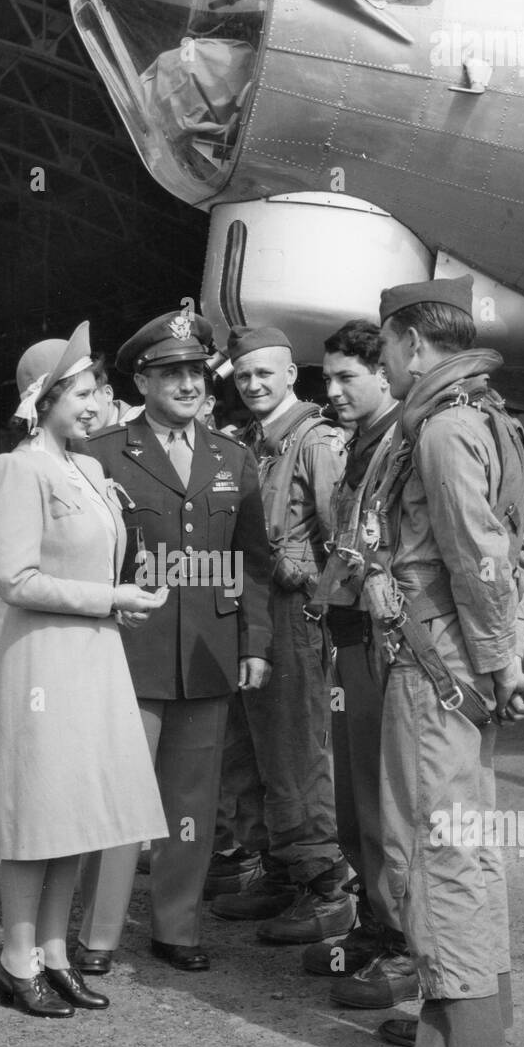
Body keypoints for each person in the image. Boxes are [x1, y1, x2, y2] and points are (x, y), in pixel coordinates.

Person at [359, 274, 524, 1047]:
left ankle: (460, 1043)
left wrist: (501, 661)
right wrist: (504, 661)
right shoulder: (490, 418)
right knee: (465, 839)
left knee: (434, 847)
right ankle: (466, 1010)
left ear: (410, 341)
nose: (384, 360)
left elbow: (478, 558)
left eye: (386, 345)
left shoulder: (439, 431)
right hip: (463, 662)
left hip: (436, 667)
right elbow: (513, 555)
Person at [77, 309, 273, 973]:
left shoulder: (233, 458)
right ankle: (98, 935)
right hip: (130, 653)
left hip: (209, 655)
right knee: (119, 798)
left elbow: (253, 560)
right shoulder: (102, 454)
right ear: (142, 379)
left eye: (196, 370)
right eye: (172, 372)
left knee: (193, 803)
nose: (189, 383)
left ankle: (177, 928)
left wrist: (254, 643)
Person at [0, 322, 169, 1017]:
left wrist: (122, 602)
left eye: (100, 391)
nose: (96, 404)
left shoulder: (88, 471)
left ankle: (54, 953)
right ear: (45, 397)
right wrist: (109, 599)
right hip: (45, 659)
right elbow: (15, 579)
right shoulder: (16, 470)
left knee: (77, 811)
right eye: (83, 392)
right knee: (38, 811)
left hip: (94, 652)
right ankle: (15, 958)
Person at [209, 326, 351, 944]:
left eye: (265, 373)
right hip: (249, 608)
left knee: (294, 748)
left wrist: (324, 608)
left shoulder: (317, 441)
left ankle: (326, 886)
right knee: (247, 749)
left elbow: (345, 536)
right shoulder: (250, 442)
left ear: (292, 374)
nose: (253, 384)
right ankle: (277, 869)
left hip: (293, 611)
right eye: (243, 376)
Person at [308, 321, 417, 1008]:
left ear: (385, 373)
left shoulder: (405, 444)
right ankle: (374, 929)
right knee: (354, 808)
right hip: (351, 638)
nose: (336, 390)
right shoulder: (362, 446)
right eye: (329, 378)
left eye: (349, 376)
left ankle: (406, 950)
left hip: (386, 643)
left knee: (387, 808)